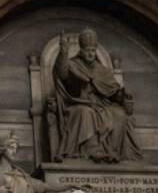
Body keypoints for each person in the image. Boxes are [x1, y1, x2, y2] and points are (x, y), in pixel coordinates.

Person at [52, 28, 143, 162]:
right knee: (86, 112)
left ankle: (112, 152)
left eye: (93, 50)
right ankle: (92, 150)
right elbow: (62, 74)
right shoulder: (73, 64)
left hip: (101, 105)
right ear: (81, 50)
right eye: (87, 50)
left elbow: (113, 91)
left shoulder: (102, 70)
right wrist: (63, 52)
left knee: (119, 114)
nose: (90, 53)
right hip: (77, 104)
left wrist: (123, 98)